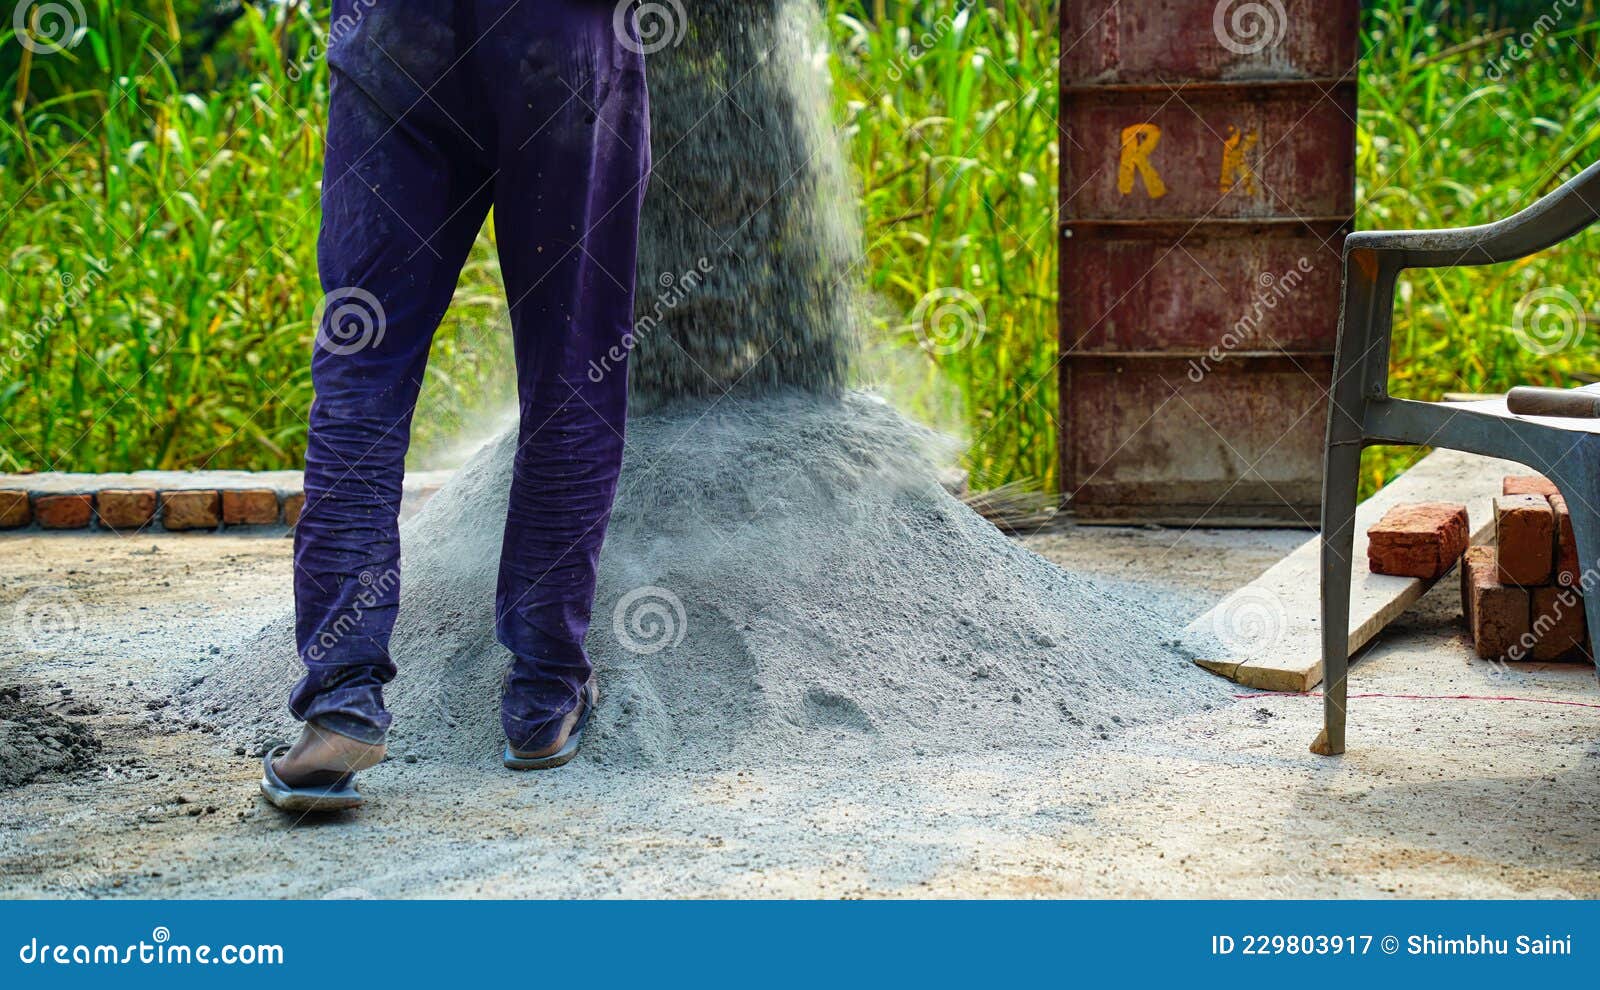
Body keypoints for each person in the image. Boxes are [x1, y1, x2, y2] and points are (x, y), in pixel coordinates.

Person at [260, 0, 651, 811]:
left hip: (396, 32)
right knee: (574, 366)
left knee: (362, 369)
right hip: (564, 37)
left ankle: (341, 700)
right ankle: (543, 697)